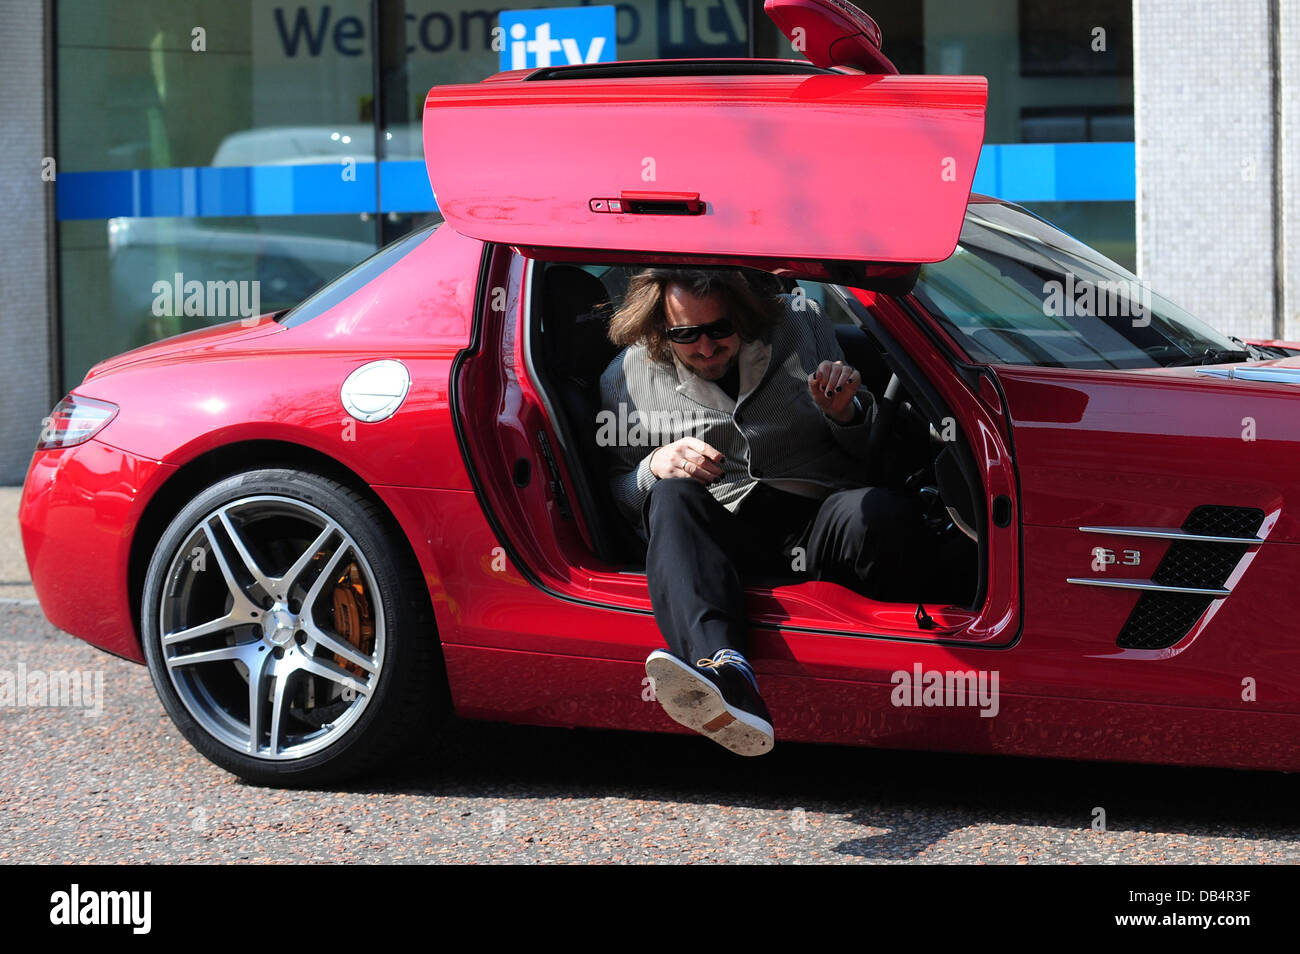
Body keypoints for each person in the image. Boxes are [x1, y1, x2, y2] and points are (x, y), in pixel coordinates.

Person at [598, 267, 927, 757]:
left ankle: (885, 687)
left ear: (746, 314)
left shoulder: (802, 324)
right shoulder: (625, 376)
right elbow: (618, 492)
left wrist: (848, 413)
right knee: (668, 495)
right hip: (724, 536)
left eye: (720, 330)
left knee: (877, 511)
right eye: (686, 335)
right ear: (658, 327)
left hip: (818, 518)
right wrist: (653, 465)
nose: (706, 348)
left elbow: (867, 449)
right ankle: (724, 673)